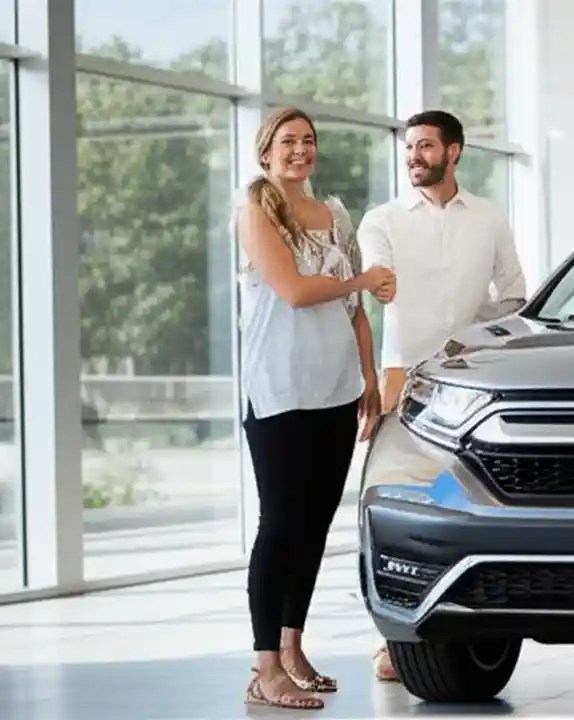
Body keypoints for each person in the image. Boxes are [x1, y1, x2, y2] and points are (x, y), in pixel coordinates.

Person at [356, 109, 527, 682]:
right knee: (399, 509)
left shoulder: (489, 217)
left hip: (472, 377)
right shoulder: (382, 220)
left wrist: (481, 340)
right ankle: (394, 636)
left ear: (455, 152)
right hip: (405, 377)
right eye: (409, 148)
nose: (414, 157)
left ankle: (462, 620)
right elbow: (378, 284)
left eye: (426, 146)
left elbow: (514, 292)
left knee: (466, 502)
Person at [236, 106, 395, 710]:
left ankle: (293, 646)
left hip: (335, 389)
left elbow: (357, 310)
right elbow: (299, 292)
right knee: (279, 524)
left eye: (308, 141)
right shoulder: (254, 210)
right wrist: (366, 279)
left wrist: (369, 377)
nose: (300, 150)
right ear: (266, 151)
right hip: (278, 390)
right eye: (288, 141)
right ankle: (265, 666)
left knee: (313, 526)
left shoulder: (336, 214)